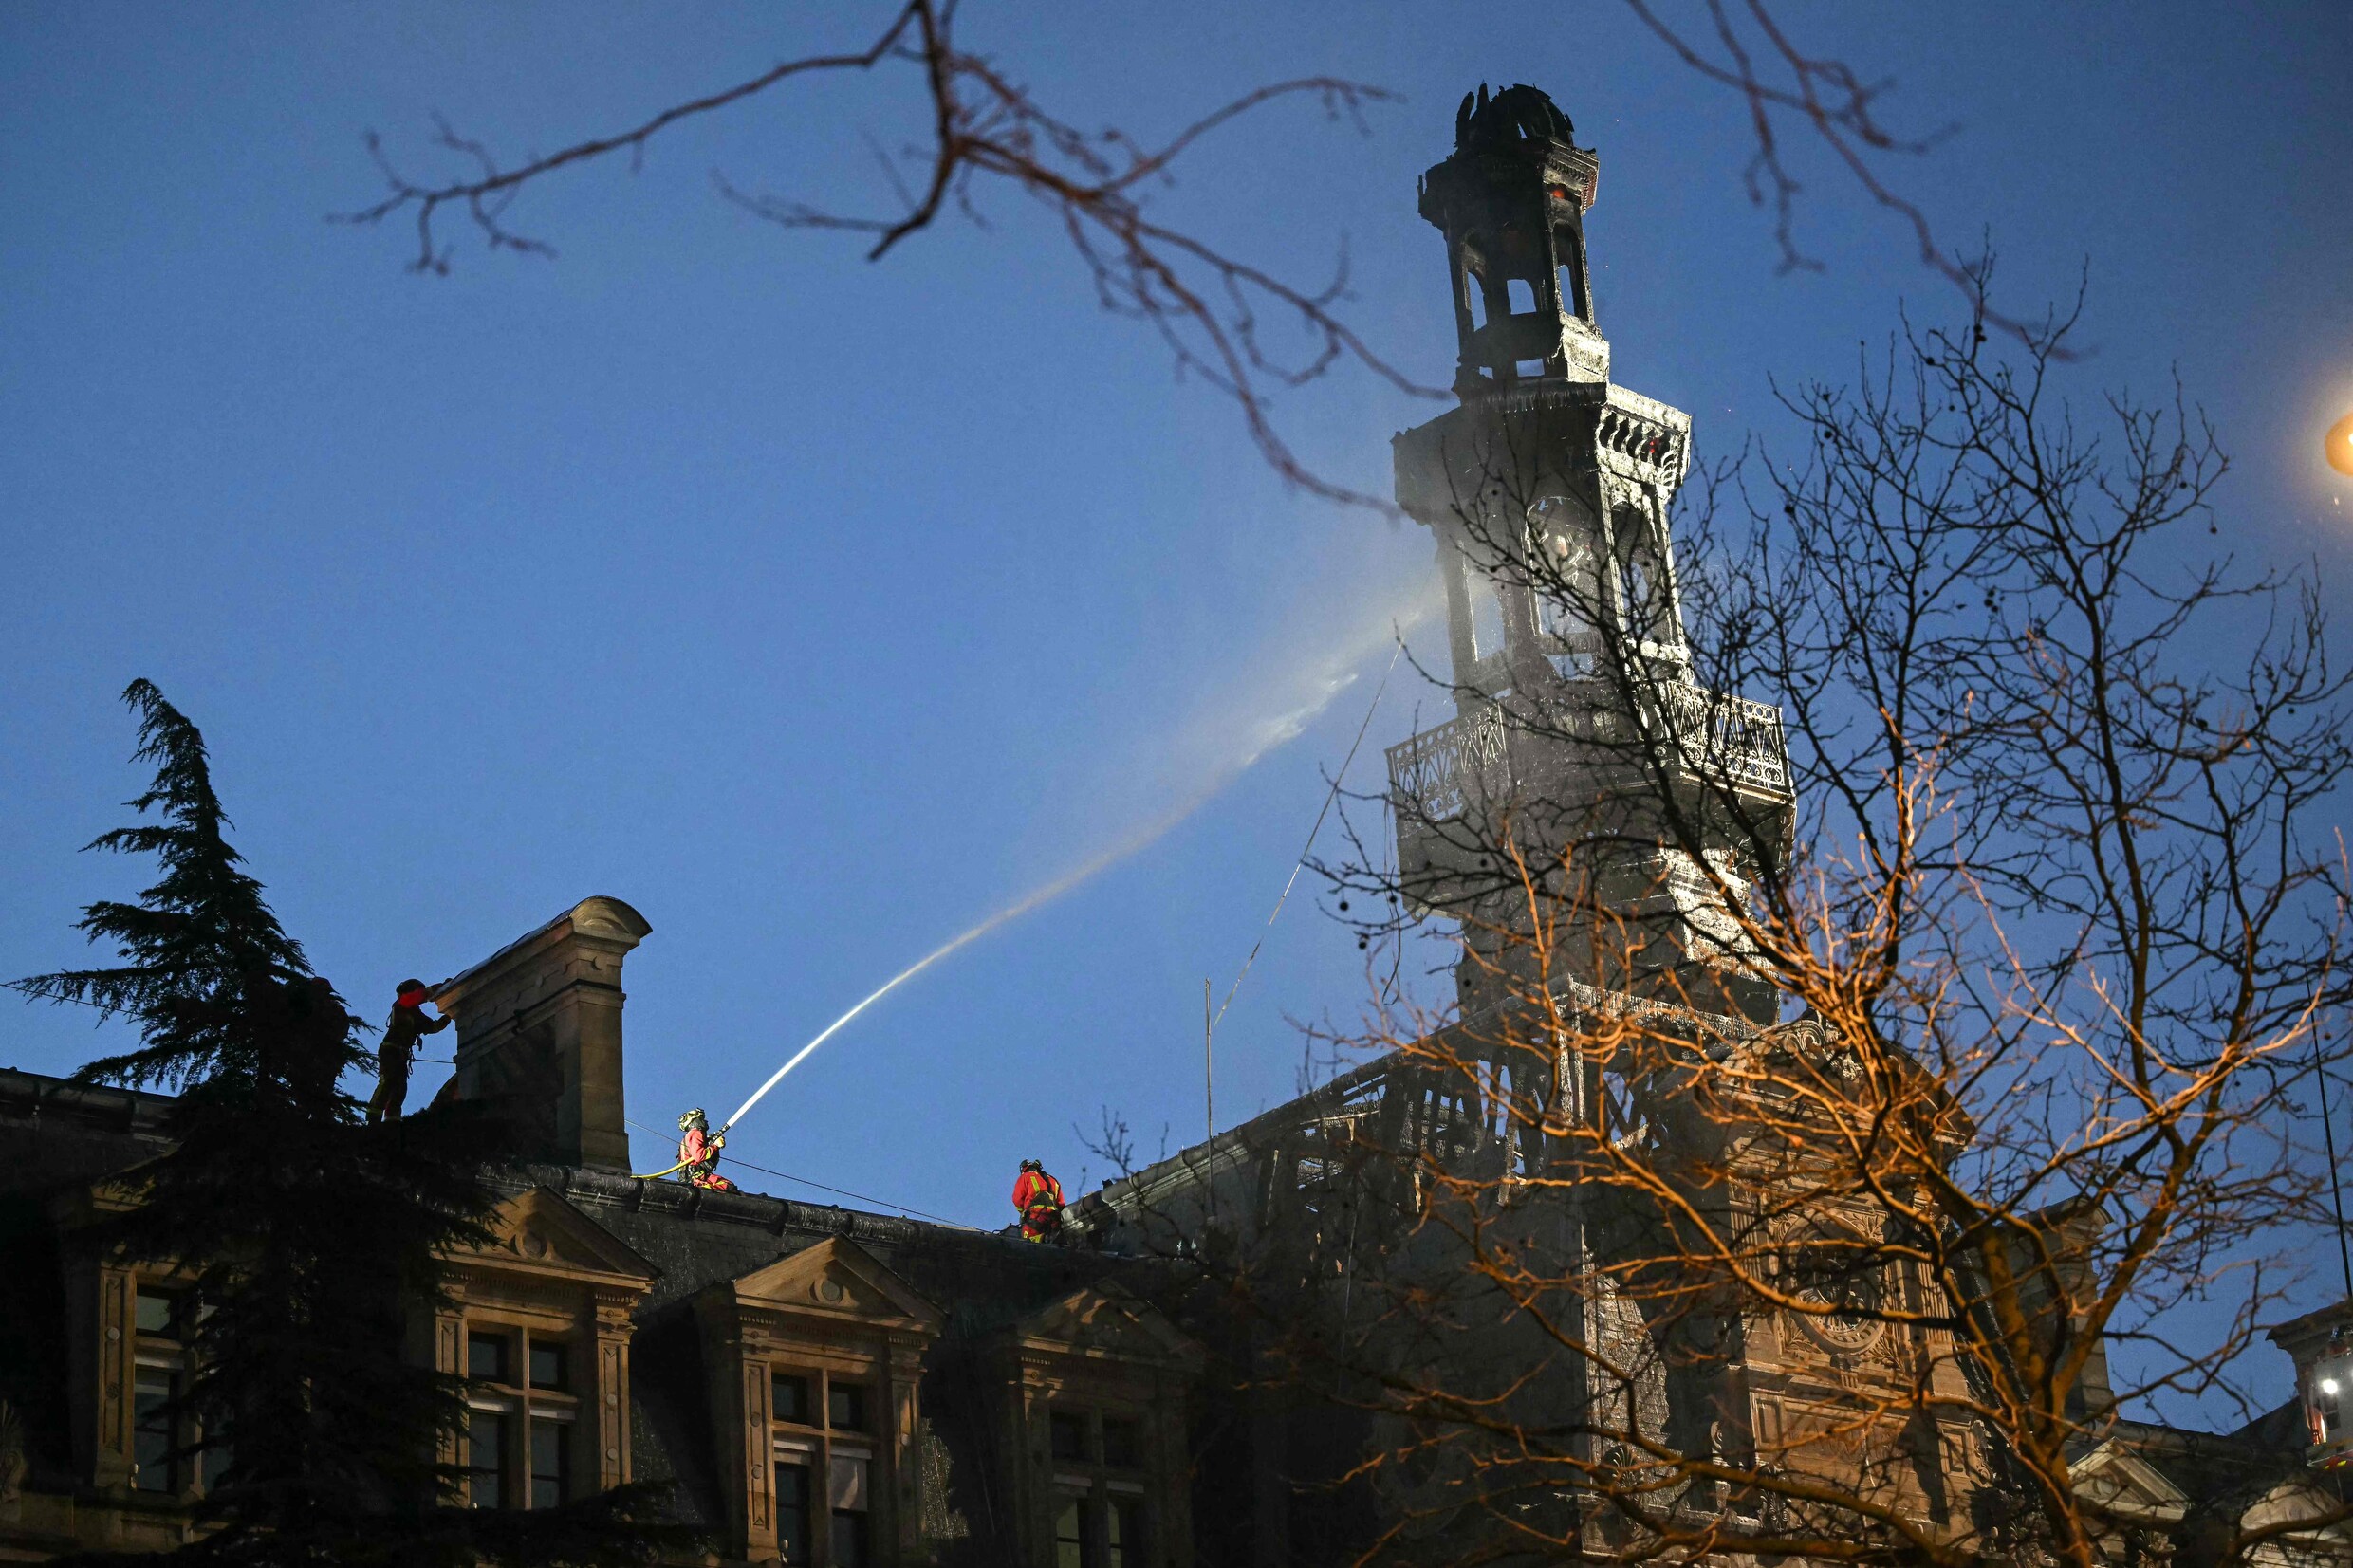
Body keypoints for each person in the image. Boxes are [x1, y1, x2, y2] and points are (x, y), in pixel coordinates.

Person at [367, 978, 450, 1123]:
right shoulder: (401, 1004)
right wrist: (441, 987)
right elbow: (421, 995)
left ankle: (391, 1120)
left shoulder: (415, 1013)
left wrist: (449, 1016)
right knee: (388, 1082)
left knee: (399, 1089)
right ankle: (373, 1118)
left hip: (401, 1054)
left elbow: (432, 1027)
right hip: (390, 1050)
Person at [676, 1108, 735, 1190]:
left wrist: (710, 1141)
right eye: (701, 1119)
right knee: (728, 1187)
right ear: (694, 1121)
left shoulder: (689, 1137)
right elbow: (699, 1156)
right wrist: (715, 1145)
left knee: (728, 1186)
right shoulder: (696, 1133)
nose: (705, 1121)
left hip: (692, 1178)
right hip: (698, 1179)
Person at [1011, 1158, 1064, 1243]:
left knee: (1028, 1244)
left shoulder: (1025, 1177)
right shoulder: (1053, 1181)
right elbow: (1061, 1203)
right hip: (1054, 1217)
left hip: (1036, 1215)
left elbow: (1017, 1200)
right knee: (1055, 1243)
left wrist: (1024, 1213)